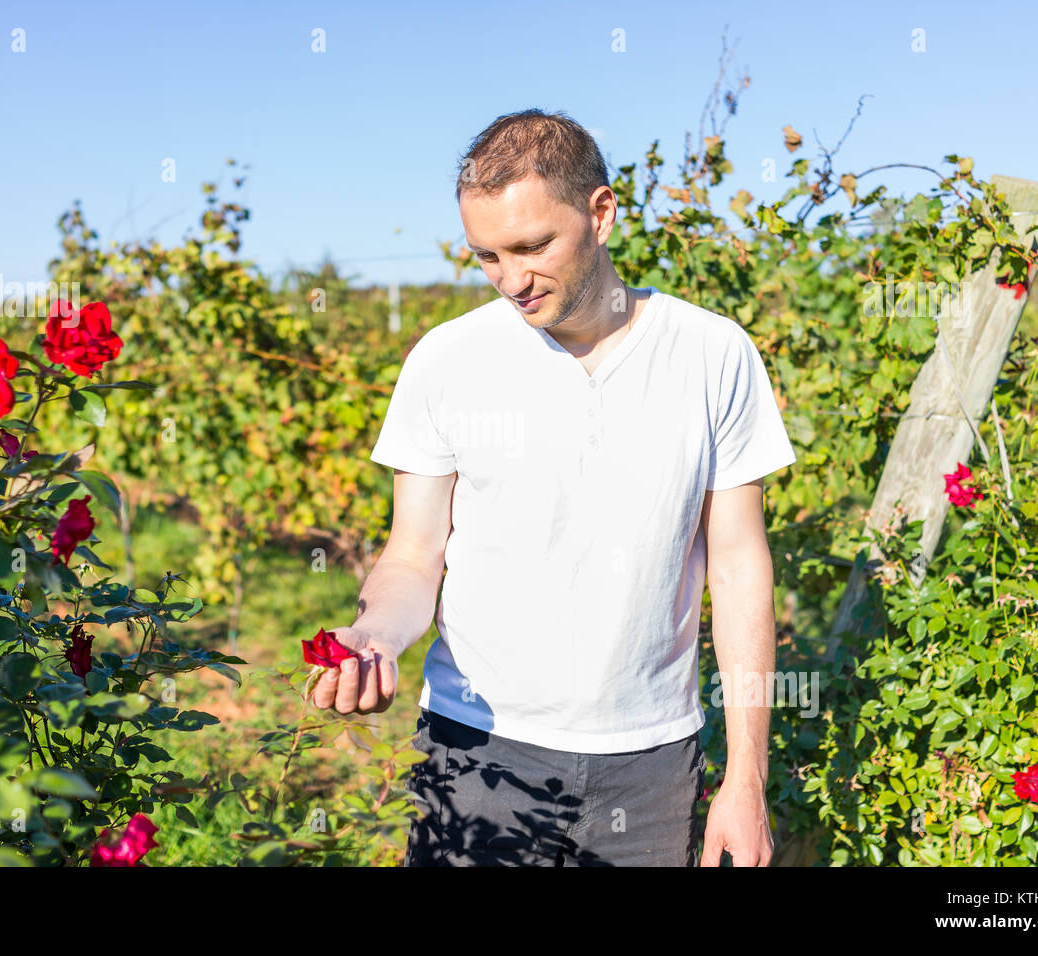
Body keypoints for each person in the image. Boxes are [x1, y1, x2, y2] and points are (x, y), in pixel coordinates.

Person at [310, 108, 796, 867]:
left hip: (653, 762)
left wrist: (746, 780)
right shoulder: (447, 362)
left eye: (533, 246)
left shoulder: (712, 354)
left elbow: (737, 566)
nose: (512, 280)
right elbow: (413, 555)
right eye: (487, 256)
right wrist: (374, 636)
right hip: (476, 753)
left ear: (601, 213)